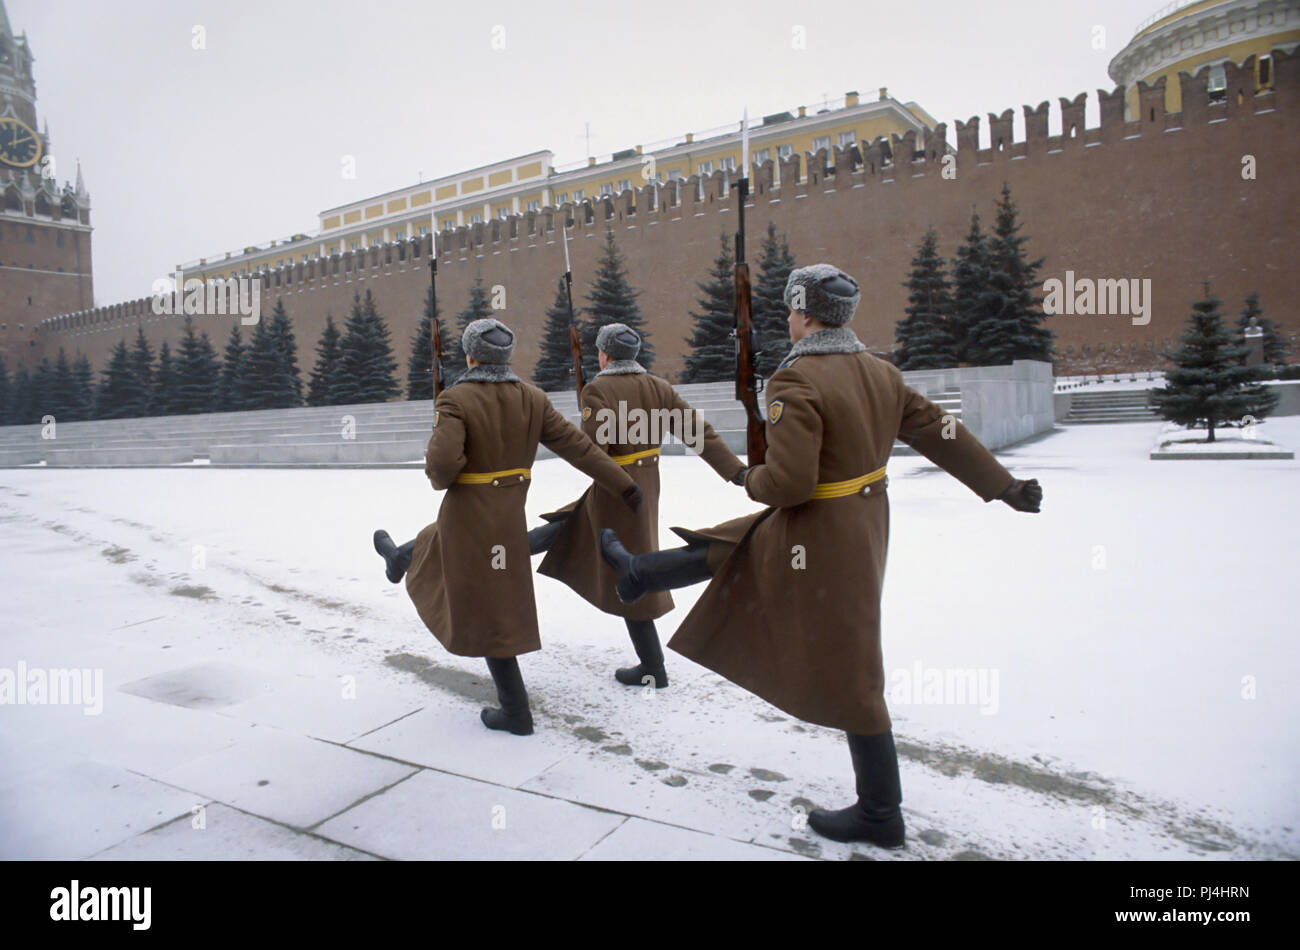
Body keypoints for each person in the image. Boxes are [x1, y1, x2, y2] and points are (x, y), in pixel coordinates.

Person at [599, 264, 1043, 848]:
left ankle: (881, 813)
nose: (787, 318)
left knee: (853, 662)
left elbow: (789, 485)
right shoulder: (879, 372)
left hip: (820, 526)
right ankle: (640, 571)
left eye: (790, 309)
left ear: (805, 314)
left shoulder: (796, 380)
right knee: (744, 542)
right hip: (862, 520)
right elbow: (941, 430)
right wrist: (1004, 485)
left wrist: (752, 477)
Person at [373, 317, 641, 737]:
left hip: (468, 513)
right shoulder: (531, 397)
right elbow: (579, 447)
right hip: (508, 512)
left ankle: (515, 712)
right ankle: (397, 557)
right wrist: (623, 483)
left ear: (470, 355)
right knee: (440, 549)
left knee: (488, 611)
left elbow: (442, 471)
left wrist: (445, 439)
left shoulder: (456, 399)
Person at [526, 323, 745, 689]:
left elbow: (594, 451)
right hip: (645, 483)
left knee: (629, 568)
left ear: (605, 355)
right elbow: (697, 430)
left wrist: (587, 416)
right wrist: (734, 470)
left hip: (616, 487)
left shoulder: (599, 389)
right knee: (570, 525)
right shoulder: (657, 387)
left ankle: (652, 667)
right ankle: (498, 553)